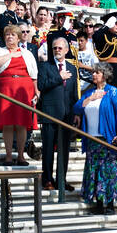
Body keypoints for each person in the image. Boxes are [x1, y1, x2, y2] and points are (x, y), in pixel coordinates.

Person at [72, 63, 117, 214]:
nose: (94, 75)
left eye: (97, 72)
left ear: (105, 75)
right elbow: (76, 108)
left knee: (109, 170)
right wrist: (91, 99)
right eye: (94, 72)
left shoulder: (113, 91)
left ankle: (110, 204)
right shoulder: (89, 93)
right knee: (94, 170)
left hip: (107, 138)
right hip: (91, 138)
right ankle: (99, 204)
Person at [0, 24, 39, 165]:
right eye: (7, 35)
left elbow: (34, 74)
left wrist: (36, 91)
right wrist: (10, 54)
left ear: (18, 38)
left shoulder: (27, 53)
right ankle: (9, 155)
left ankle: (21, 155)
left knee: (22, 124)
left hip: (24, 91)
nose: (9, 37)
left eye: (12, 35)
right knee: (8, 124)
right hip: (6, 91)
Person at [36, 34, 78, 191]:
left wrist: (77, 113)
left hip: (67, 115)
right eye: (54, 48)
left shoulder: (72, 67)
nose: (57, 50)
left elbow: (74, 92)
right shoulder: (45, 66)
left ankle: (61, 179)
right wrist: (59, 78)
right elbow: (41, 85)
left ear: (66, 50)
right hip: (49, 114)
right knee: (48, 149)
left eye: (60, 48)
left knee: (64, 150)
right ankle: (47, 179)